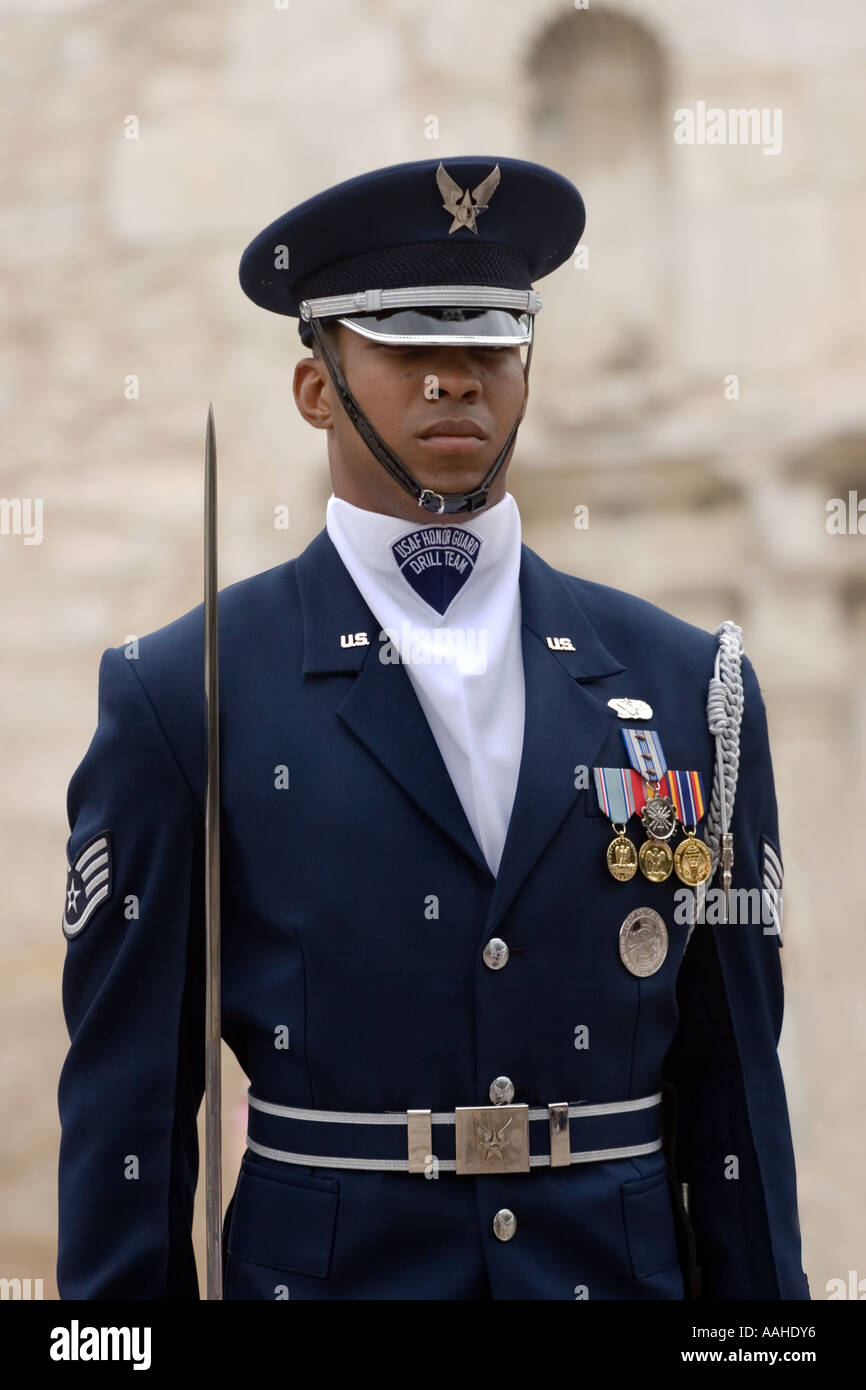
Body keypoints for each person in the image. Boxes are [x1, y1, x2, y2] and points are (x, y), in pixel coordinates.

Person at [57, 156, 809, 1300]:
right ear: (317, 387)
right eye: (407, 348)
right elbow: (130, 1110)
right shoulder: (187, 690)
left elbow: (735, 1104)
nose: (452, 379)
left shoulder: (687, 681)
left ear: (524, 371)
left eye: (487, 347)